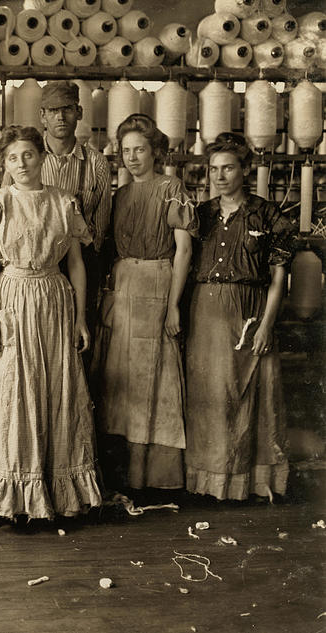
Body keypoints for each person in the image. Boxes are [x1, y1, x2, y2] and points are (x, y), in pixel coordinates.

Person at [0, 126, 101, 527]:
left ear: (42, 157)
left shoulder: (64, 202)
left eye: (28, 154)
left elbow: (77, 264)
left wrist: (80, 317)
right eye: (13, 158)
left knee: (54, 391)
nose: (21, 163)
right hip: (11, 301)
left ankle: (51, 491)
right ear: (4, 165)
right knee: (9, 393)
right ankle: (2, 496)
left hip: (53, 301)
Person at [92, 113, 198, 498]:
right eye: (126, 151)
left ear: (156, 151)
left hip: (157, 284)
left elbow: (184, 251)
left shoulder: (172, 189)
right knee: (119, 383)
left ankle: (148, 477)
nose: (133, 157)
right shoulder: (120, 195)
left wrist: (173, 307)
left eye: (140, 149)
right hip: (122, 289)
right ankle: (121, 477)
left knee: (152, 378)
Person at [185, 132, 293, 501]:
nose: (219, 175)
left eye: (228, 167)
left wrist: (266, 325)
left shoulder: (268, 214)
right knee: (211, 395)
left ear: (245, 170)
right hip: (206, 311)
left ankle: (249, 482)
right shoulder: (201, 215)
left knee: (248, 395)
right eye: (214, 169)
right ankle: (211, 483)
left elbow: (279, 277)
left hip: (250, 311)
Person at [39, 81, 112, 347]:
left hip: (80, 265)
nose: (60, 116)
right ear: (42, 116)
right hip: (38, 266)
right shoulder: (27, 160)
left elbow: (100, 229)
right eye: (53, 110)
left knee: (78, 340)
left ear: (79, 113)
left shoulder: (97, 164)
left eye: (67, 109)